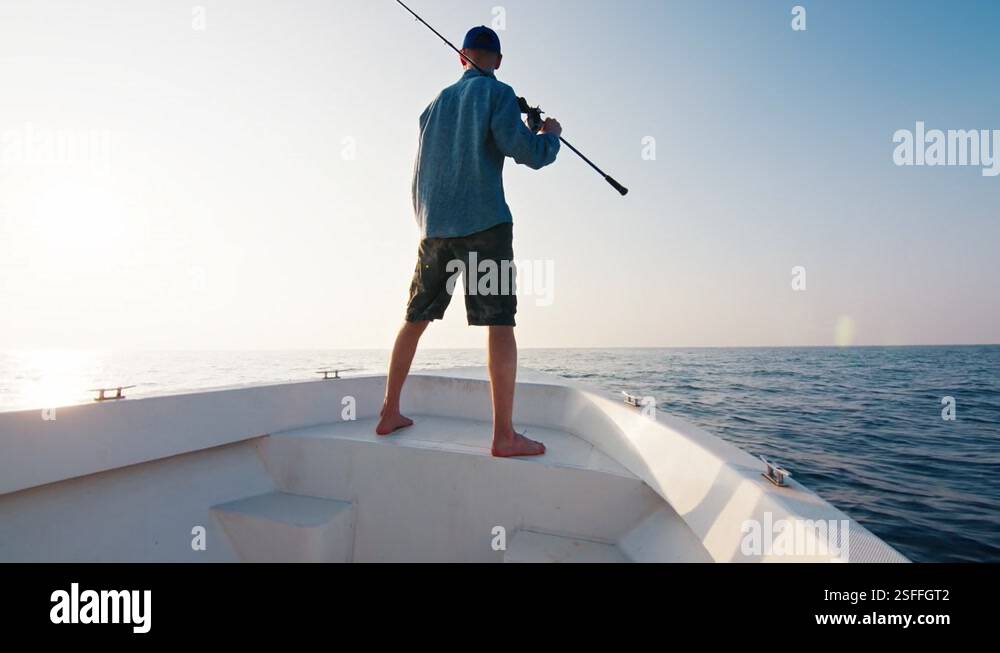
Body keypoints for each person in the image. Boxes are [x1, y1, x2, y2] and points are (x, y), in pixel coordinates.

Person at [376, 25, 562, 457]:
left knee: (414, 319)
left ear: (462, 57)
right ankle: (503, 436)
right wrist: (548, 134)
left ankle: (389, 411)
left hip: (433, 231)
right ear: (497, 61)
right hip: (484, 226)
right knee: (499, 322)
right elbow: (528, 154)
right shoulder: (498, 94)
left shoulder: (432, 106)